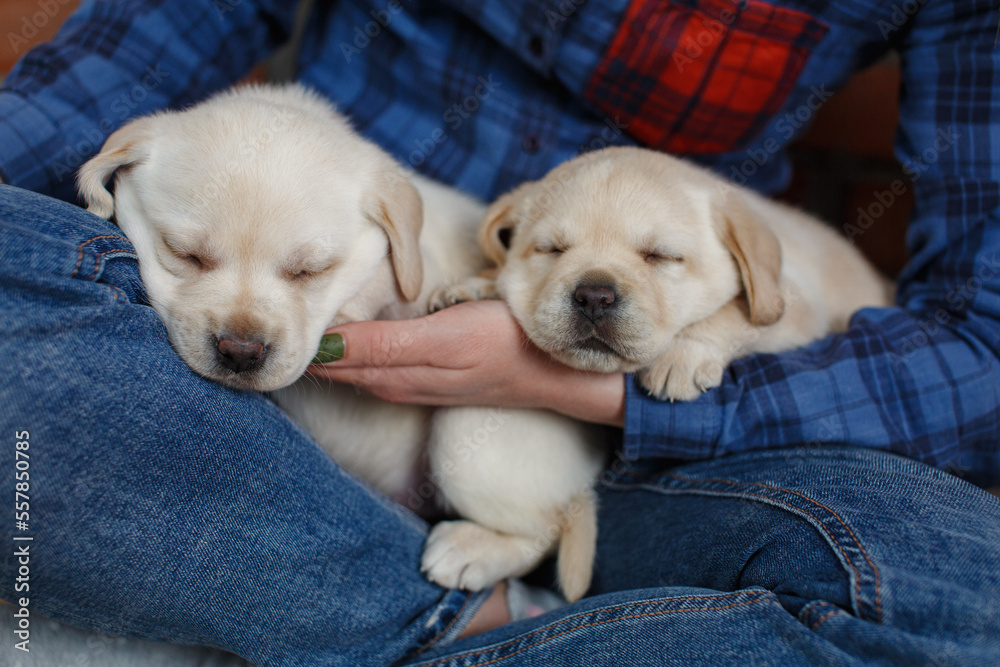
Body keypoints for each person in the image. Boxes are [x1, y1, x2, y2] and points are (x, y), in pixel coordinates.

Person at [1, 0, 998, 665]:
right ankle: (470, 622)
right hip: (334, 274)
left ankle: (361, 609)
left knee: (961, 595)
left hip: (678, 415)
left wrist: (588, 387)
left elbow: (980, 346)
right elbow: (147, 43)